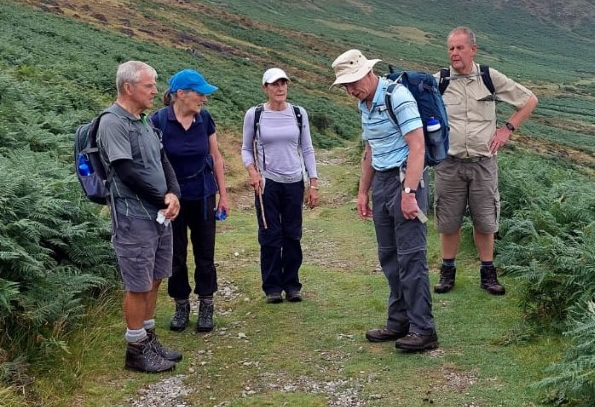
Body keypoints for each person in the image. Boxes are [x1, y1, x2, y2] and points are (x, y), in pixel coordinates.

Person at [331, 49, 438, 353]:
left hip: (407, 179)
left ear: (368, 72)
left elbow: (417, 147)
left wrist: (409, 193)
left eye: (353, 82)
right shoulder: (364, 105)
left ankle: (424, 329)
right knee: (389, 256)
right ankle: (399, 320)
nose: (351, 90)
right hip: (381, 180)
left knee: (411, 257)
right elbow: (370, 149)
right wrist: (363, 191)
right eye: (345, 86)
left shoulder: (398, 97)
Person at [433, 27, 538, 295]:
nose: (454, 53)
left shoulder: (489, 77)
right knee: (448, 221)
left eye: (460, 48)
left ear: (473, 49)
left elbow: (529, 100)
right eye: (451, 48)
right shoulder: (439, 81)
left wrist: (507, 130)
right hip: (449, 163)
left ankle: (488, 273)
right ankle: (447, 272)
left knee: (486, 221)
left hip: (483, 163)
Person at [96, 60, 182, 373]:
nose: (155, 91)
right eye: (149, 86)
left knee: (155, 277)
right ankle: (135, 350)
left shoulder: (143, 121)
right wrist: (162, 199)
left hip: (159, 215)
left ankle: (149, 338)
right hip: (134, 217)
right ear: (129, 87)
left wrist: (174, 194)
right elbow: (125, 171)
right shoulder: (112, 122)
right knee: (138, 282)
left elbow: (162, 160)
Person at [150, 68, 230, 334]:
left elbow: (216, 157)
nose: (204, 99)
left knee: (205, 253)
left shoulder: (204, 119)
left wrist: (224, 195)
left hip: (204, 194)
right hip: (171, 199)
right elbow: (150, 163)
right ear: (180, 94)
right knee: (175, 255)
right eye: (200, 93)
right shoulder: (158, 121)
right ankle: (181, 305)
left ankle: (206, 305)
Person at [241, 67, 319, 303]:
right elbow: (246, 148)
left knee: (292, 235)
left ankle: (292, 285)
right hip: (267, 184)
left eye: (283, 83)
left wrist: (312, 182)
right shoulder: (254, 115)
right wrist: (253, 172)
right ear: (265, 87)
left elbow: (307, 148)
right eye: (274, 84)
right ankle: (272, 287)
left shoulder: (298, 113)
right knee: (270, 234)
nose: (280, 88)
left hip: (294, 182)